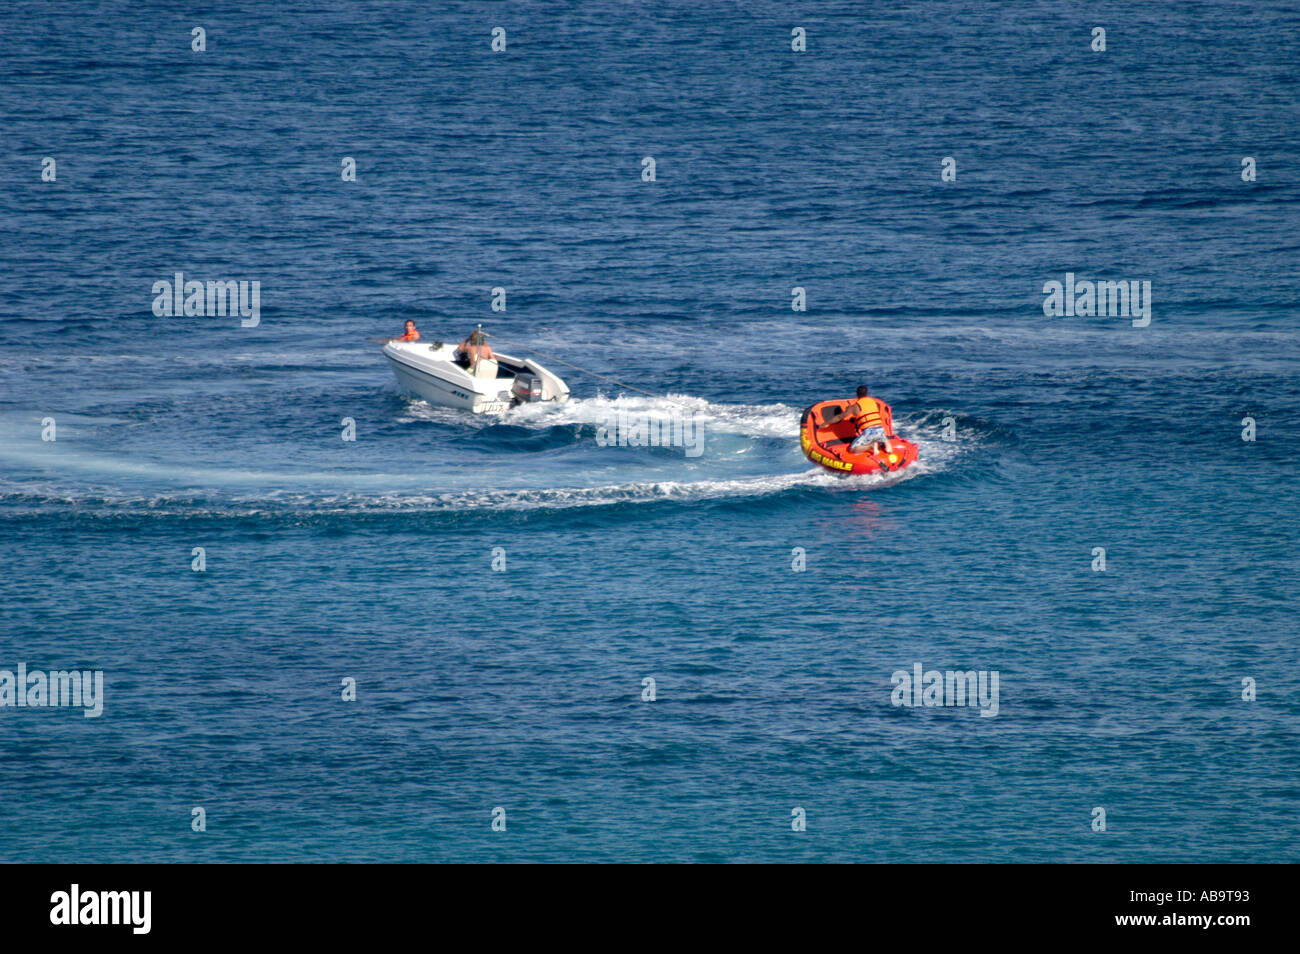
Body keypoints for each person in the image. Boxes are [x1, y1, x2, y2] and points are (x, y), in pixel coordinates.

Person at [821, 385, 895, 455]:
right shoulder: (873, 402)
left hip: (869, 432)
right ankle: (885, 442)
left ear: (857, 394)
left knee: (852, 449)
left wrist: (825, 424)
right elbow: (869, 416)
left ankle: (871, 445)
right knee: (879, 436)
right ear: (867, 393)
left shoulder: (855, 407)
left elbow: (839, 417)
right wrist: (856, 420)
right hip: (881, 429)